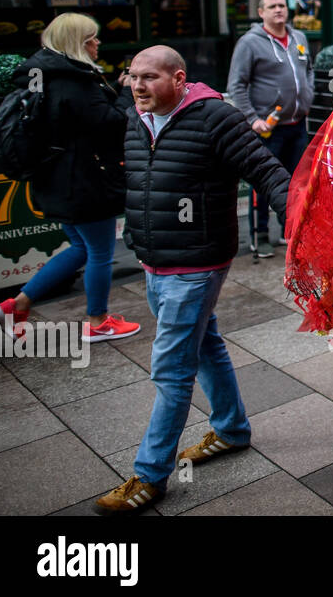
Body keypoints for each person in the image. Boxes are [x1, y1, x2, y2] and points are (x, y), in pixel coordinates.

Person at [94, 46, 291, 514]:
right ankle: (232, 429)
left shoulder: (214, 117)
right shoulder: (136, 118)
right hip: (155, 260)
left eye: (149, 77)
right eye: (132, 76)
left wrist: (300, 225)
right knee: (205, 345)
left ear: (179, 78)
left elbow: (267, 171)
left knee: (170, 370)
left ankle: (149, 475)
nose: (137, 86)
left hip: (197, 265)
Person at [0, 14, 140, 341]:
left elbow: (78, 119)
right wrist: (127, 95)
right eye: (91, 38)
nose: (98, 43)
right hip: (83, 183)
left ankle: (17, 304)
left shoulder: (45, 75)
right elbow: (110, 126)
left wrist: (112, 90)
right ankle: (98, 321)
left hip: (54, 180)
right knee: (100, 252)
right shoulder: (75, 81)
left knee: (79, 248)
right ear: (77, 44)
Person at [226, 0, 314, 257]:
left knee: (295, 182)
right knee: (264, 184)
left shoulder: (299, 37)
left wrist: (307, 94)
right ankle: (261, 235)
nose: (278, 10)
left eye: (281, 5)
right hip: (268, 129)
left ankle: (289, 231)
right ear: (261, 12)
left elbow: (307, 70)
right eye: (272, 6)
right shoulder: (249, 43)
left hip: (297, 124)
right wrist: (253, 119)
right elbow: (236, 85)